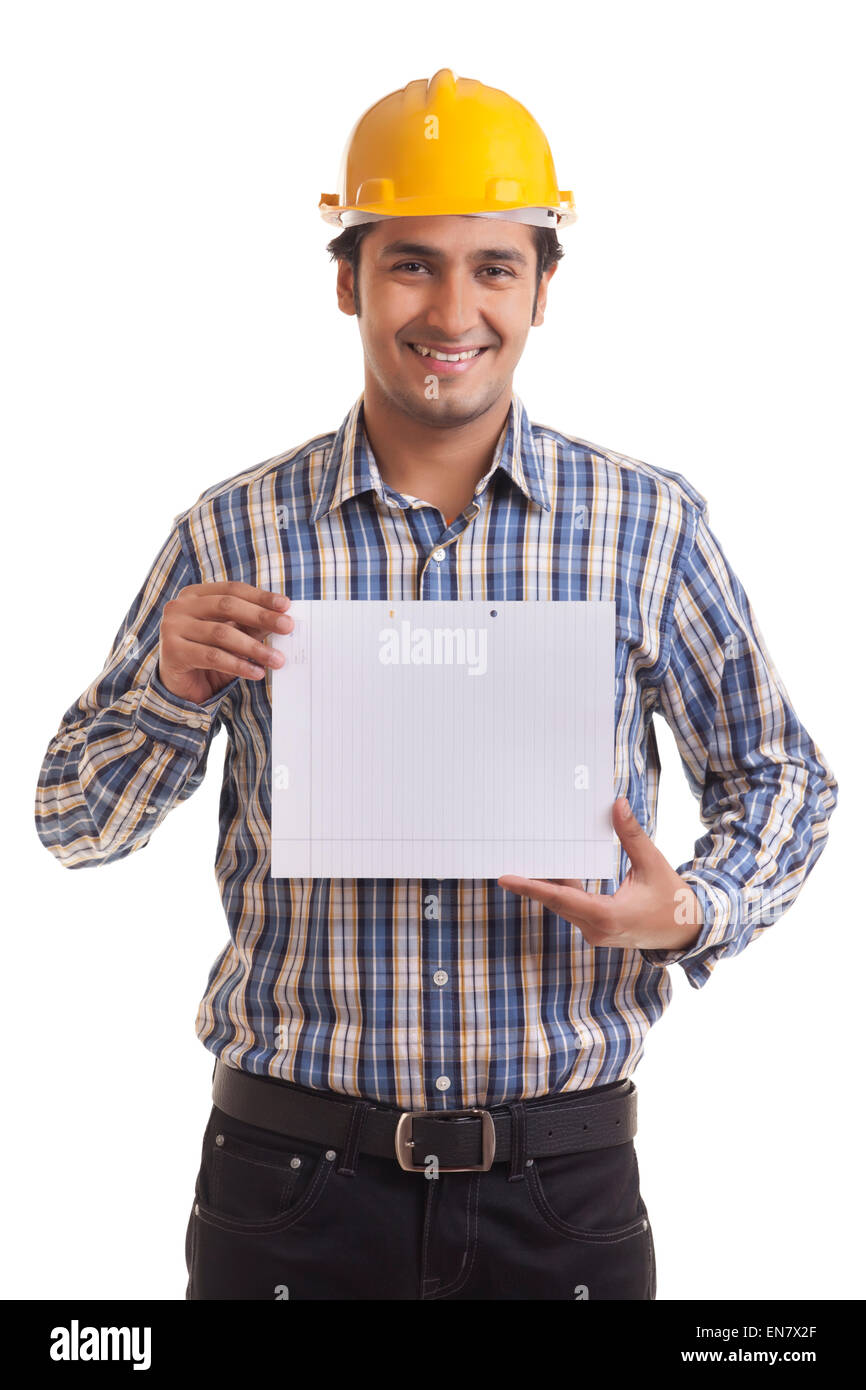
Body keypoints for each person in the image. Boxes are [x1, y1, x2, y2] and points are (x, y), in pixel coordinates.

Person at [34, 68, 838, 1302]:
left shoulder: (645, 527)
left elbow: (780, 772)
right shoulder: (232, 535)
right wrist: (169, 689)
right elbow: (72, 824)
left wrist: (690, 910)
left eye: (493, 267)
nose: (451, 309)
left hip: (559, 1190)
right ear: (347, 280)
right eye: (410, 263)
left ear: (542, 288)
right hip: (286, 1185)